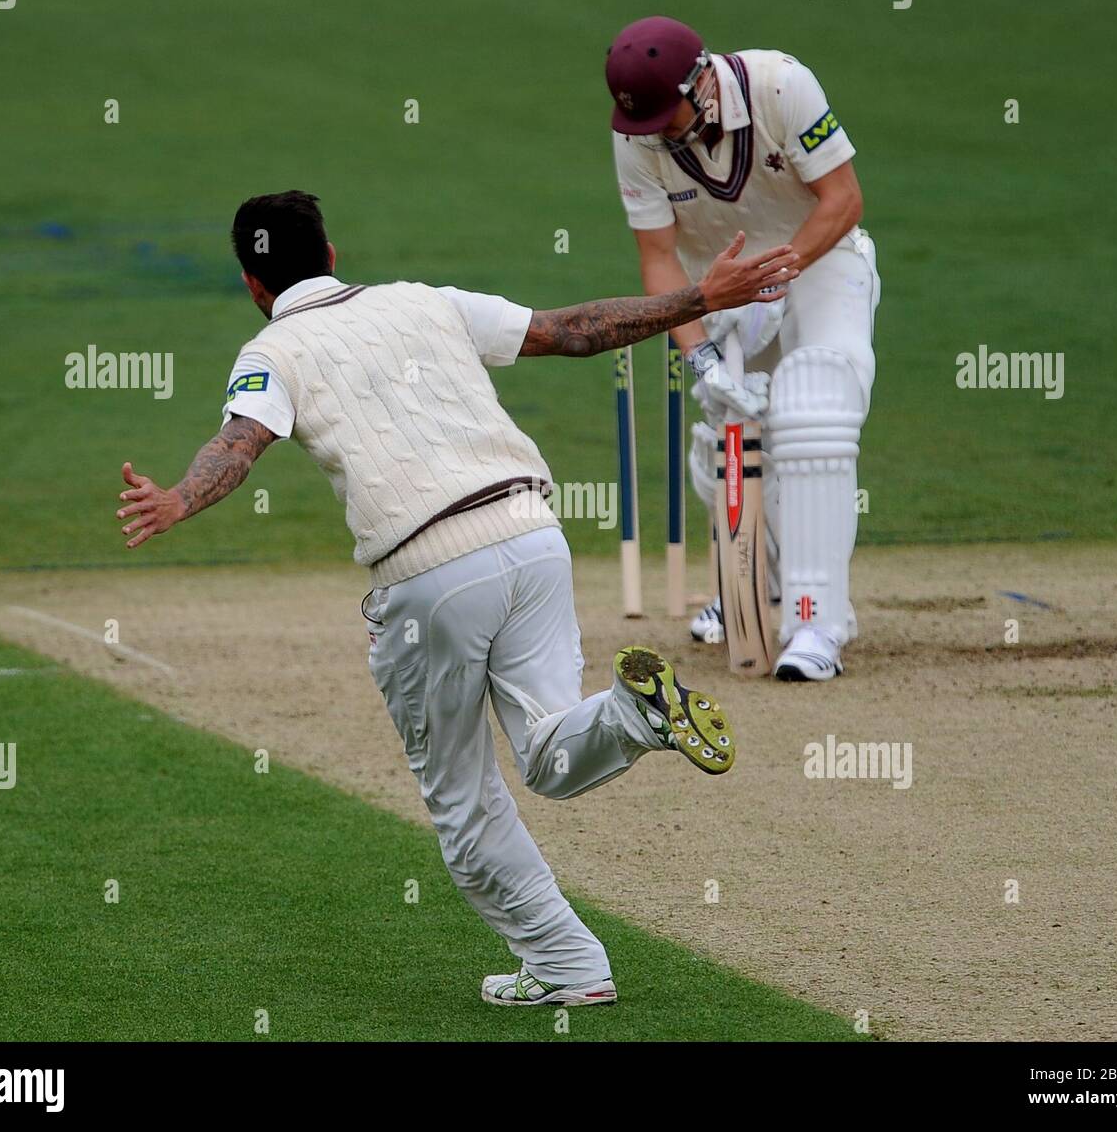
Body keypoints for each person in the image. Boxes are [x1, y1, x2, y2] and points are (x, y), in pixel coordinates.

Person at [114, 190, 798, 1005]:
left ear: (251, 284)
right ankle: (631, 714)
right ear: (332, 255)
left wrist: (180, 501)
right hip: (532, 532)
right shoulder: (423, 301)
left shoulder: (272, 350)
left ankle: (570, 967)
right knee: (547, 753)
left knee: (464, 805)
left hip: (429, 571)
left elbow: (238, 443)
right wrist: (698, 297)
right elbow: (574, 330)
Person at [606, 15, 881, 680]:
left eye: (667, 116)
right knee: (726, 428)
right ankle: (750, 590)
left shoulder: (781, 85)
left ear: (699, 80)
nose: (659, 134)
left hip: (820, 261)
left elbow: (844, 200)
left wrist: (780, 275)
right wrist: (698, 349)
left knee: (814, 411)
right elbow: (659, 257)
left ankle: (817, 621)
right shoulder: (637, 136)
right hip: (725, 287)